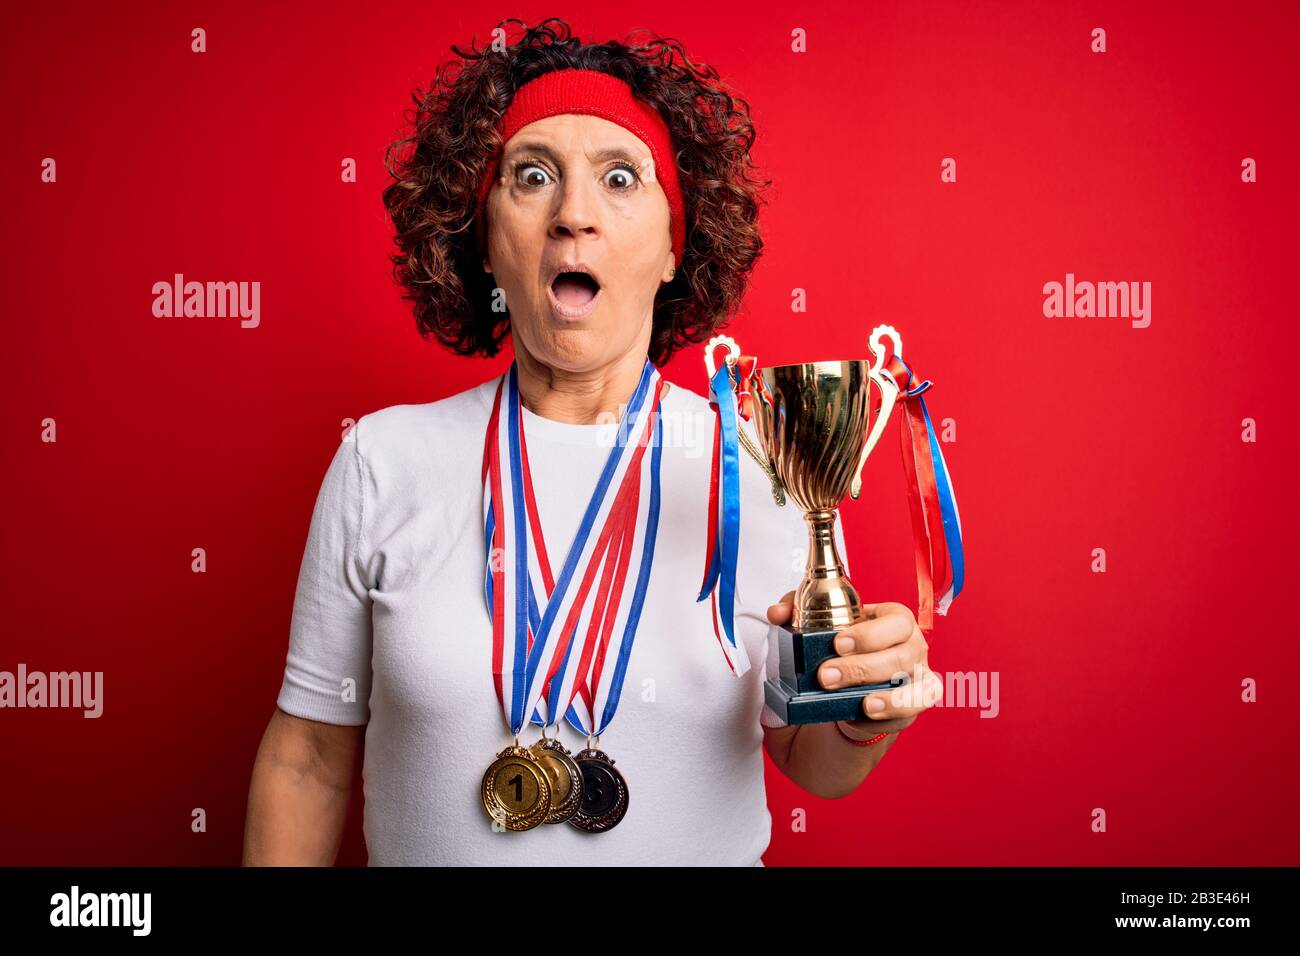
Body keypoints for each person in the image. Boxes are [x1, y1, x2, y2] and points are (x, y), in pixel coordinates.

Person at [242, 17, 942, 867]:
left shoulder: (757, 465)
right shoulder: (381, 464)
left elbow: (814, 765)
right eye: (532, 176)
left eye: (620, 179)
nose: (574, 214)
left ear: (674, 248)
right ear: (487, 242)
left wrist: (863, 709)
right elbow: (308, 761)